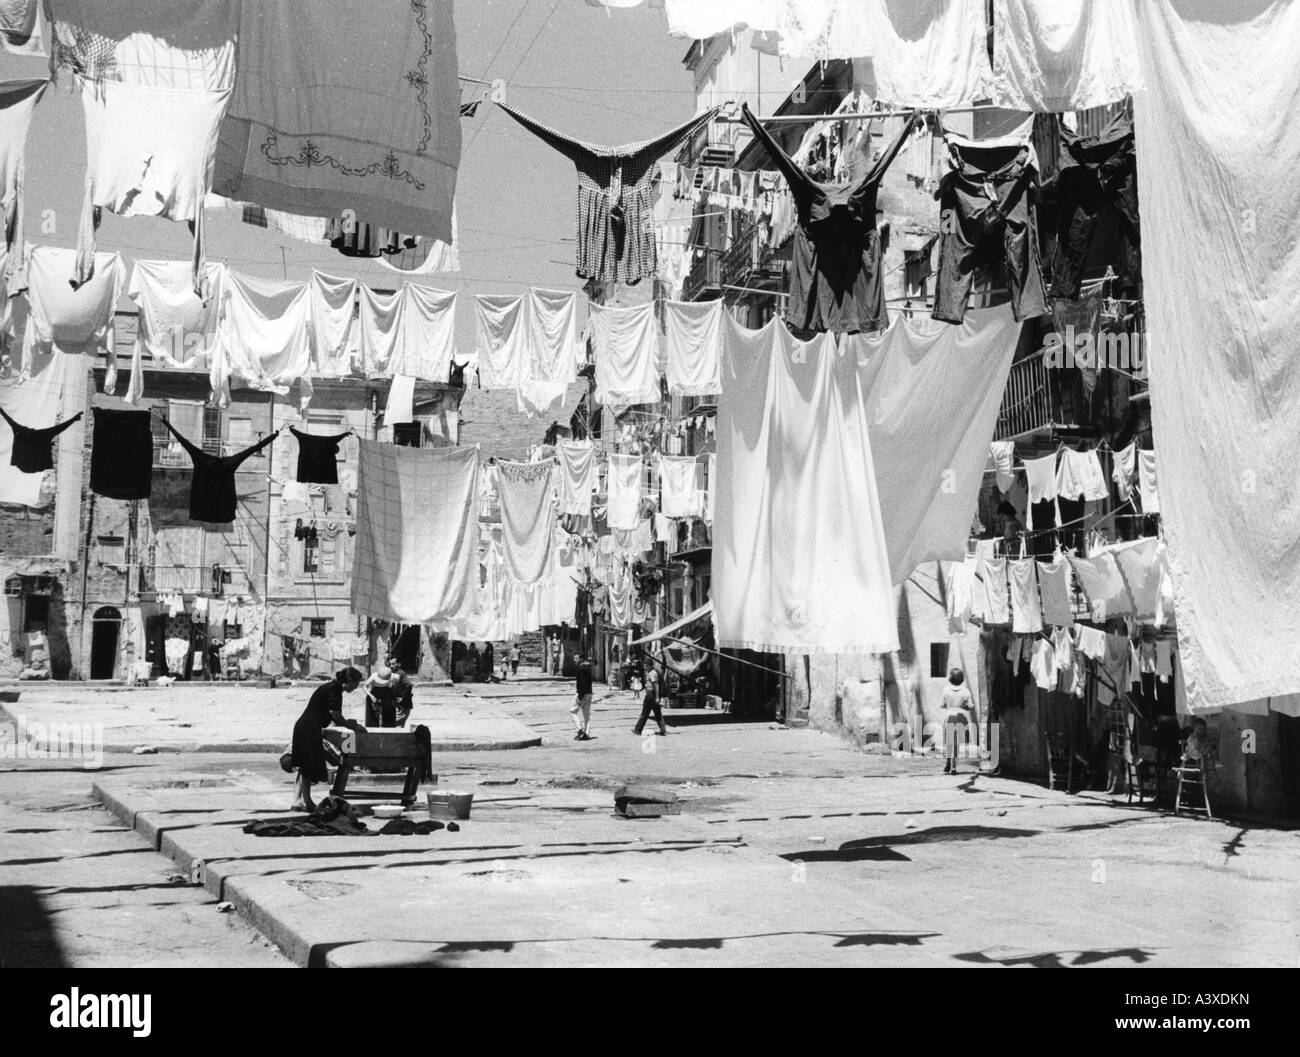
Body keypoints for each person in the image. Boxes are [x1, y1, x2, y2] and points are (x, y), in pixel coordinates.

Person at [289, 668, 364, 812]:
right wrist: (350, 726)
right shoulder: (334, 690)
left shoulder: (333, 688)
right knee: (307, 766)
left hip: (306, 727)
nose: (356, 687)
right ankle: (308, 802)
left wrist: (348, 723)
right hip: (308, 729)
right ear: (348, 682)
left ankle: (296, 801)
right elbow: (334, 713)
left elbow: (334, 714)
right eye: (355, 683)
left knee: (305, 764)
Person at [941, 668, 974, 774]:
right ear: (962, 679)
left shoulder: (946, 690)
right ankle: (954, 767)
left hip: (950, 716)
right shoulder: (965, 691)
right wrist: (964, 705)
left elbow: (942, 705)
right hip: (961, 717)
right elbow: (970, 706)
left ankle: (947, 764)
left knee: (949, 741)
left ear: (950, 678)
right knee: (956, 743)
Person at [633, 661, 667, 737]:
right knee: (657, 713)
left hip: (651, 695)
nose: (645, 667)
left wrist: (657, 697)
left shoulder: (652, 673)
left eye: (646, 665)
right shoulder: (651, 672)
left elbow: (656, 685)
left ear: (649, 665)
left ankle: (638, 730)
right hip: (653, 695)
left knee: (645, 713)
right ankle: (663, 730)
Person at [570, 656, 595, 740]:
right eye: (574, 658)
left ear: (581, 659)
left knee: (572, 711)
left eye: (576, 658)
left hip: (582, 693)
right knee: (586, 715)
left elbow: (582, 683)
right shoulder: (588, 668)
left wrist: (580, 696)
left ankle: (579, 729)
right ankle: (587, 734)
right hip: (589, 693)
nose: (574, 660)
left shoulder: (581, 669)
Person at [387, 656, 415, 727]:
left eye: (393, 664)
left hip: (404, 705)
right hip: (399, 705)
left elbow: (408, 685)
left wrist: (402, 697)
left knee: (394, 724)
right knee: (399, 726)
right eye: (390, 664)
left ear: (399, 664)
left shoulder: (401, 673)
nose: (391, 666)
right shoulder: (394, 674)